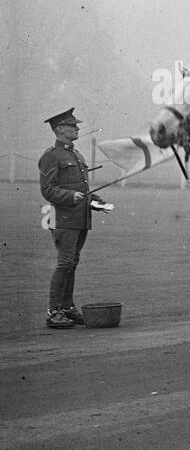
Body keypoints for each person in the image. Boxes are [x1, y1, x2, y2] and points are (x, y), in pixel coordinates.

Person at [39, 108, 110, 327]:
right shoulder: (51, 156)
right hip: (62, 218)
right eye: (73, 126)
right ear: (60, 129)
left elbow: (82, 188)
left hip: (80, 218)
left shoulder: (76, 155)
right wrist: (71, 196)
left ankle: (67, 307)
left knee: (72, 263)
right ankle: (53, 311)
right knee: (65, 263)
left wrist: (95, 201)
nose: (77, 128)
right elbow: (48, 190)